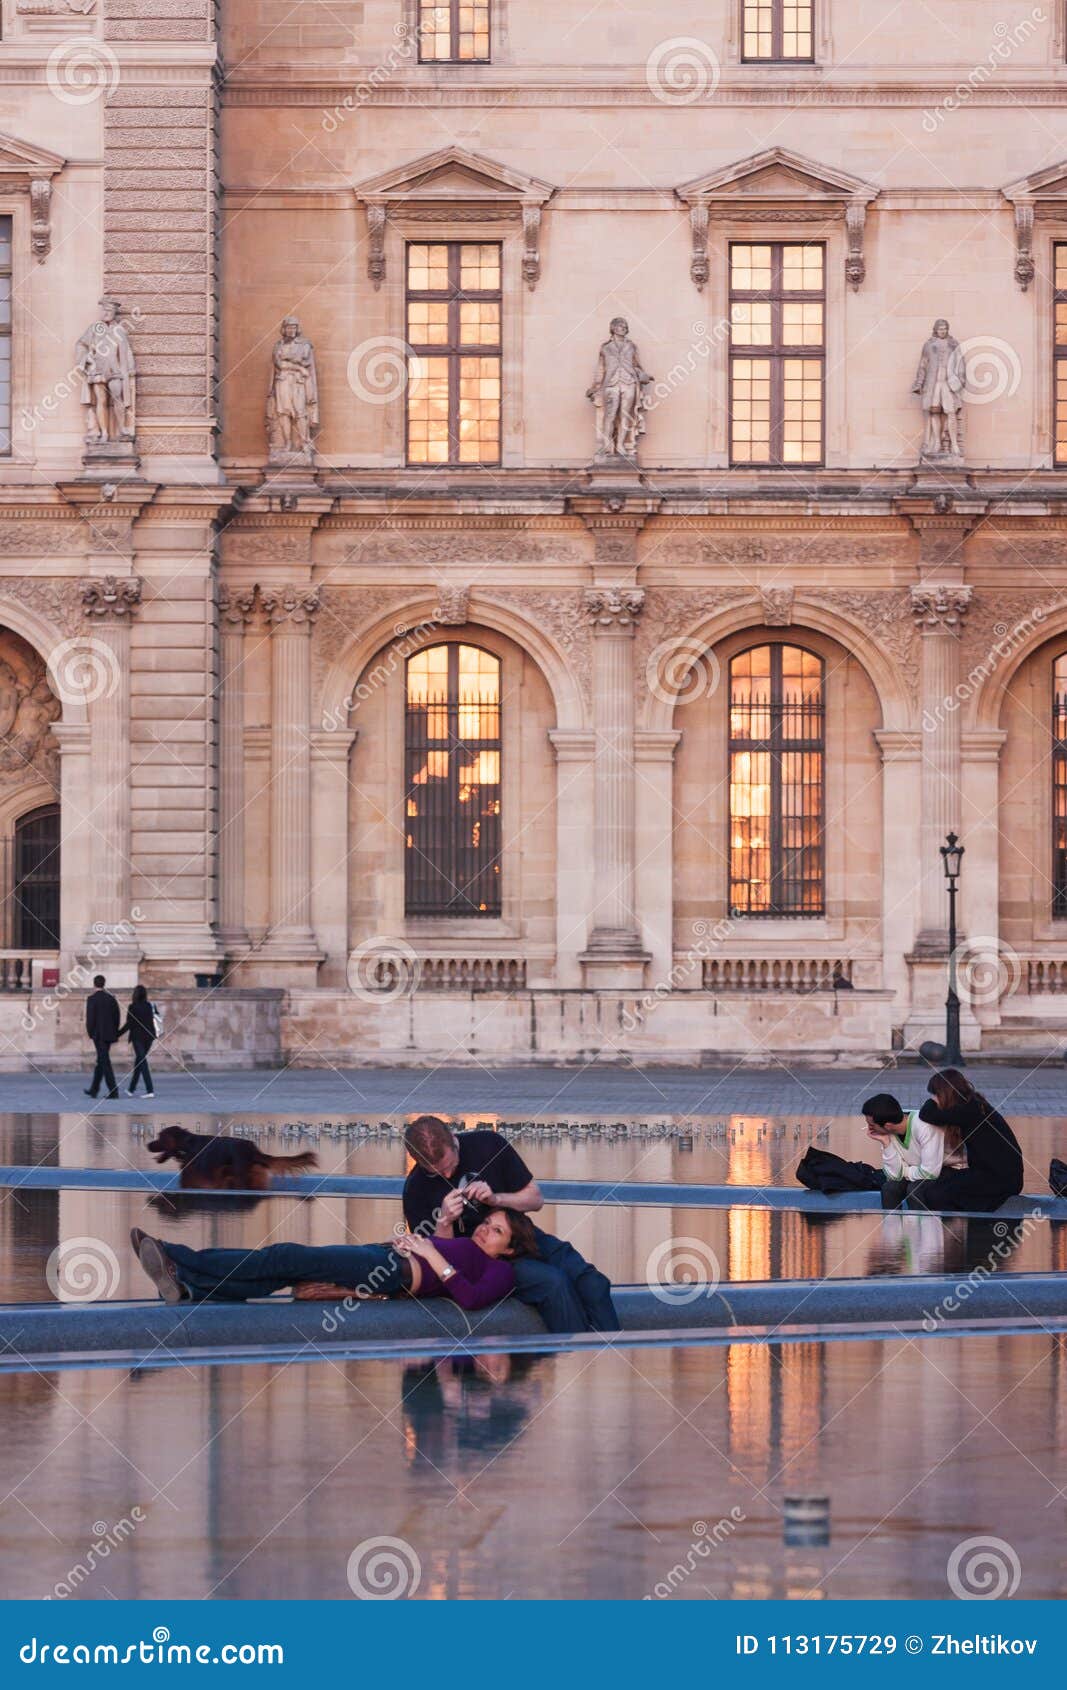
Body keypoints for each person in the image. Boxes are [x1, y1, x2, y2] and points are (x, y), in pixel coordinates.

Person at [402, 1115, 619, 1334]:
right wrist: (445, 1221)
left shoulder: (488, 1145)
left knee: (593, 1282)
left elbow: (536, 1200)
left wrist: (496, 1199)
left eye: (450, 1165)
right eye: (436, 1173)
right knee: (553, 1283)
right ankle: (580, 1359)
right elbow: (439, 1258)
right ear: (418, 1163)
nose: (447, 1175)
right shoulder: (416, 1189)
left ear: (453, 1138)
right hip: (483, 1261)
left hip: (524, 1236)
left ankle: (611, 1354)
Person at [129, 1206, 538, 1308]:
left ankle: (177, 1257)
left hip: (388, 1272)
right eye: (488, 1222)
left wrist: (430, 1250)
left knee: (285, 1255)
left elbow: (468, 1298)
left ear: (512, 1247)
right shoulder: (472, 1246)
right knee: (281, 1271)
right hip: (380, 1258)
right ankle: (190, 1288)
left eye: (496, 1230)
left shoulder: (503, 1273)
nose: (484, 1228)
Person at [909, 1070, 1025, 1214]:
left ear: (945, 1093)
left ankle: (949, 1232)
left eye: (936, 1095)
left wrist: (931, 1102)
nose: (934, 1099)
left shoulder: (968, 1110)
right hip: (996, 1174)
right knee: (941, 1187)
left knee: (936, 1194)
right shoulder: (973, 1103)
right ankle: (953, 1230)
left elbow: (927, 1113)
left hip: (999, 1179)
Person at [862, 1091, 966, 1210]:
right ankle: (892, 1227)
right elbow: (894, 1176)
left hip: (949, 1168)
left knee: (915, 1191)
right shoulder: (889, 1129)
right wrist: (886, 1143)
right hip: (918, 1170)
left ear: (888, 1125)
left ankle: (924, 1228)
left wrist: (904, 1172)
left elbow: (930, 1172)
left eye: (871, 1125)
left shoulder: (924, 1126)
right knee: (889, 1188)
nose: (869, 1129)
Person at [84, 975, 121, 1100]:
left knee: (105, 1062)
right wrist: (115, 1031)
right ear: (104, 984)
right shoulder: (111, 998)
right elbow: (117, 1017)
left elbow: (90, 1019)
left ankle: (114, 1091)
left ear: (94, 984)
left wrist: (91, 1033)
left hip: (98, 1035)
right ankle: (94, 1089)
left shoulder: (92, 999)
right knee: (101, 1061)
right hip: (109, 1034)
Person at [120, 983, 156, 1098]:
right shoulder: (149, 1006)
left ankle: (150, 1090)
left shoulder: (133, 1007)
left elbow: (129, 1024)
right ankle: (131, 1089)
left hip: (138, 1038)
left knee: (142, 1063)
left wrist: (117, 1034)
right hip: (149, 1037)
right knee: (139, 1062)